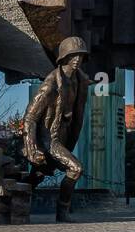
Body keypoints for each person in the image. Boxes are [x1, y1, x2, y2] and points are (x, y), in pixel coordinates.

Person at [22, 36, 91, 222]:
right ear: (64, 57)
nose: (77, 59)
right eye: (73, 55)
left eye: (81, 56)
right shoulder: (51, 83)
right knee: (75, 168)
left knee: (37, 175)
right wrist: (31, 146)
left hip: (65, 135)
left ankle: (17, 201)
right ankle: (62, 212)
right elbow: (30, 117)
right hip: (49, 137)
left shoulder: (81, 82)